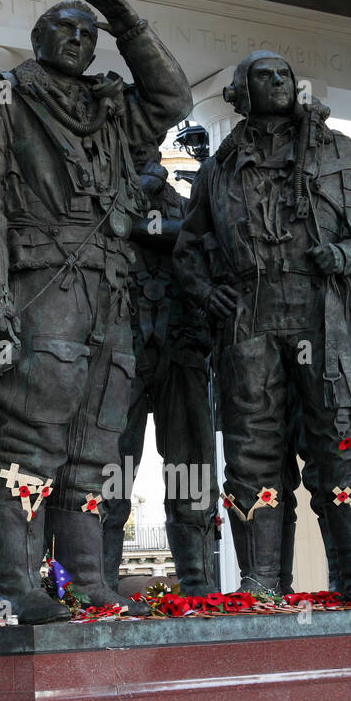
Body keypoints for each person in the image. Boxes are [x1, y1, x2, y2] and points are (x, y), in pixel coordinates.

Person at [0, 0, 192, 623]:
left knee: (97, 444)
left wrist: (134, 30)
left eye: (90, 33)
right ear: (37, 36)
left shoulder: (108, 108)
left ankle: (87, 579)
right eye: (64, 28)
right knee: (28, 436)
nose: (80, 40)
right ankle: (14, 585)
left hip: (109, 289)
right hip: (41, 284)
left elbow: (173, 101)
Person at [173, 51, 351, 608]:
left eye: (284, 75)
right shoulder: (219, 167)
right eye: (263, 75)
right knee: (253, 447)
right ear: (241, 91)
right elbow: (187, 247)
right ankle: (263, 580)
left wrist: (344, 255)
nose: (277, 82)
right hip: (249, 317)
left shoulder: (340, 153)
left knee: (342, 441)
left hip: (321, 311)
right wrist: (206, 290)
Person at [101, 140, 218, 595]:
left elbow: (201, 237)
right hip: (120, 350)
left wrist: (135, 226)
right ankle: (101, 587)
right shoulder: (106, 192)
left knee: (190, 471)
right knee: (110, 472)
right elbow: (101, 228)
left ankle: (198, 587)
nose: (143, 155)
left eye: (148, 147)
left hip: (180, 349)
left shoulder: (187, 202)